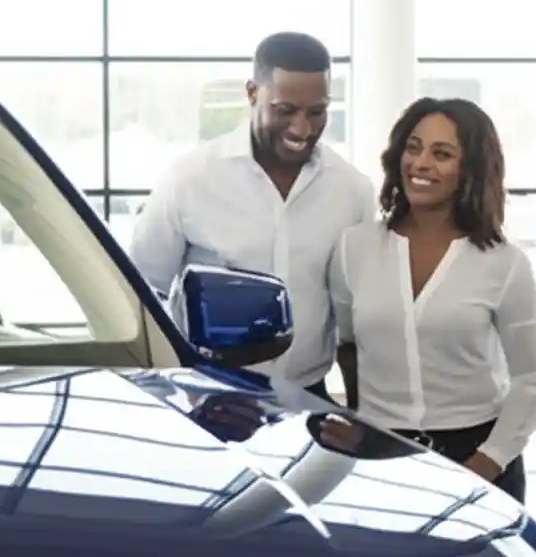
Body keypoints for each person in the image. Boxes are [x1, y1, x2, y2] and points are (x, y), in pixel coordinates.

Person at [318, 96, 536, 503]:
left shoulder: (505, 263)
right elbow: (349, 344)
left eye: (441, 154)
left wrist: (486, 463)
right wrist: (362, 420)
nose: (421, 164)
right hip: (380, 455)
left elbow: (530, 379)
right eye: (413, 148)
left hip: (479, 457)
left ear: (471, 169)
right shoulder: (355, 247)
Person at [128, 31, 375, 400]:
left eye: (317, 112)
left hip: (309, 395)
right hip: (209, 394)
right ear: (252, 93)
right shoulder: (189, 180)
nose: (302, 129)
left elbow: (355, 316)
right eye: (285, 110)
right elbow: (144, 294)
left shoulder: (352, 190)